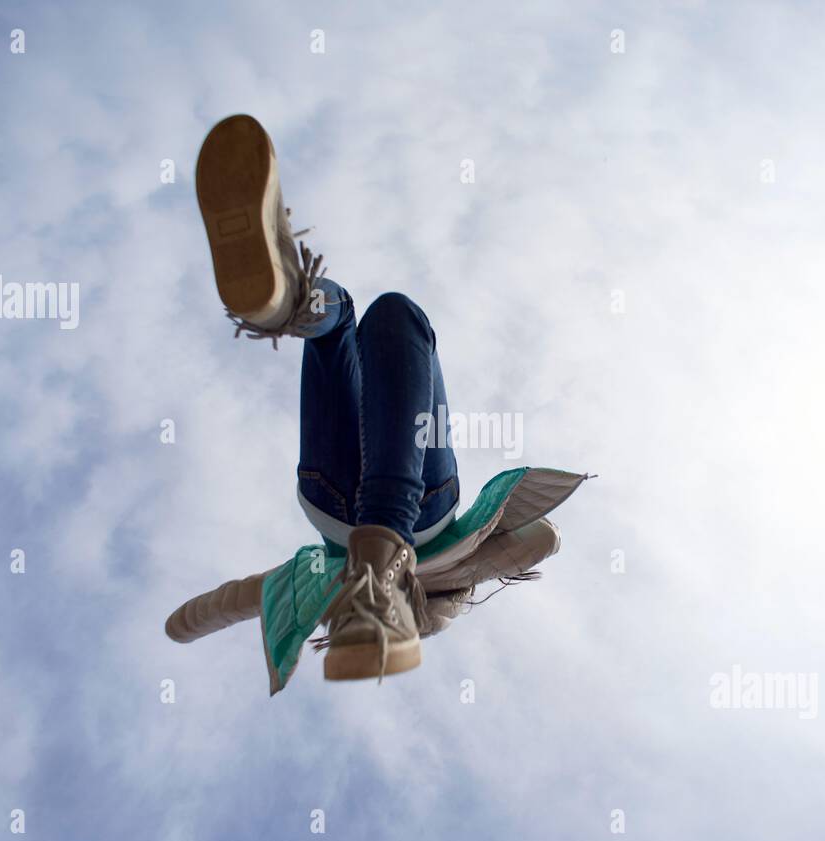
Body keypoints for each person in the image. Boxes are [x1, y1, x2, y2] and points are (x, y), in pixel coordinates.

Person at [167, 114, 586, 692]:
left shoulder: (439, 564)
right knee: (361, 327)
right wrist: (186, 627)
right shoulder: (315, 578)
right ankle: (295, 301)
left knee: (397, 317)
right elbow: (219, 606)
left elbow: (544, 540)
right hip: (330, 505)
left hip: (417, 513)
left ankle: (296, 302)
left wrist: (457, 567)